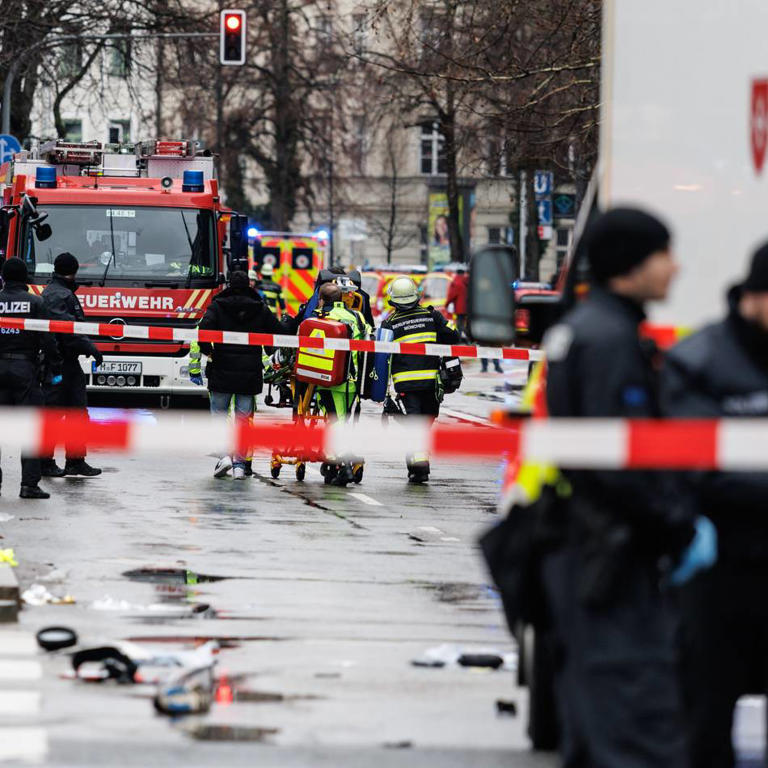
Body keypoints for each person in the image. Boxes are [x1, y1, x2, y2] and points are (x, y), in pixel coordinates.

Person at [542, 207, 713, 767]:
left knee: (596, 724)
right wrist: (677, 525)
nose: (675, 267)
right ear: (631, 264)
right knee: (636, 725)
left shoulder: (586, 329)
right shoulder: (610, 341)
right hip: (615, 556)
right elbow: (620, 460)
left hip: (591, 547)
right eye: (664, 254)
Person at [661, 242, 768, 768]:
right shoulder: (699, 360)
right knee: (706, 718)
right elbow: (694, 464)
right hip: (721, 571)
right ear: (756, 296)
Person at [197, 270, 286, 479]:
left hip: (221, 369)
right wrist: (291, 322)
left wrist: (208, 351)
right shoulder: (259, 307)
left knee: (219, 416)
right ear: (249, 285)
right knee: (243, 421)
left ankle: (224, 457)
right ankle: (239, 465)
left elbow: (204, 329)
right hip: (249, 373)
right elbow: (277, 330)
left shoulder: (218, 305)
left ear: (229, 284)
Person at [381, 275, 459, 483]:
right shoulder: (432, 316)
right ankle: (419, 461)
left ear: (393, 300)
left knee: (414, 423)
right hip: (431, 383)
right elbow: (454, 337)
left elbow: (381, 357)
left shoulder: (389, 324)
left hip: (406, 384)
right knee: (424, 422)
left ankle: (418, 462)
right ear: (416, 296)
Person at [0, 258, 62, 499]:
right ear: (25, 277)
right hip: (25, 369)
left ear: (3, 277)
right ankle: (29, 485)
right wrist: (55, 368)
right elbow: (48, 340)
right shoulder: (35, 302)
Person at [40, 252, 103, 477]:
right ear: (73, 271)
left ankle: (73, 461)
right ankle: (48, 462)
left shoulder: (54, 291)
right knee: (59, 413)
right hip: (60, 363)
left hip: (62, 362)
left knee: (73, 412)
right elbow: (69, 331)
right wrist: (92, 349)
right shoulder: (61, 295)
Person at [307, 281, 370, 486]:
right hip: (353, 381)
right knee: (343, 422)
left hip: (329, 381)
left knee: (335, 422)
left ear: (321, 300)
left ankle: (343, 466)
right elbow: (368, 339)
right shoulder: (357, 317)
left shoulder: (320, 317)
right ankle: (335, 464)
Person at [446, 265, 469, 338]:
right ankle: (467, 336)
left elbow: (452, 295)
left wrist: (446, 304)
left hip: (460, 307)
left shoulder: (456, 282)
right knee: (465, 322)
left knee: (459, 323)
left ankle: (461, 337)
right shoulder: (467, 281)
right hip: (468, 307)